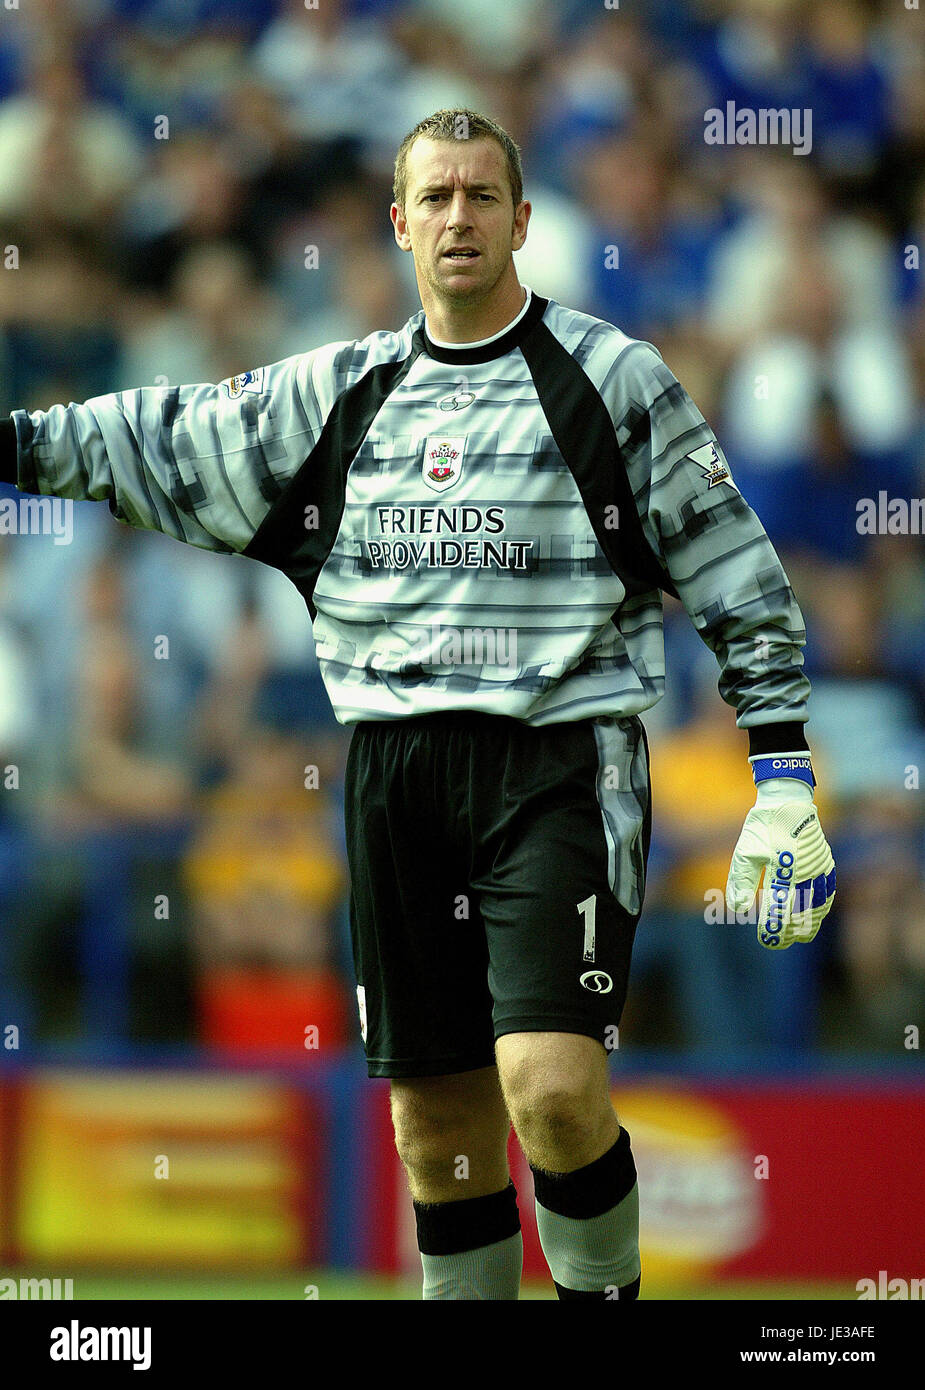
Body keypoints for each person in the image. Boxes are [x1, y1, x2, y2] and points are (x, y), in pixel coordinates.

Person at [0, 108, 835, 1300]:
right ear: (398, 223)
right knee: (438, 1137)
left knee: (549, 1089)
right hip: (391, 778)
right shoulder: (336, 397)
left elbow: (736, 572)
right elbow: (151, 436)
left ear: (522, 221)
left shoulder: (610, 381)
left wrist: (784, 779)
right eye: (434, 198)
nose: (457, 218)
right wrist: (12, 444)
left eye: (481, 197)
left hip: (561, 763)